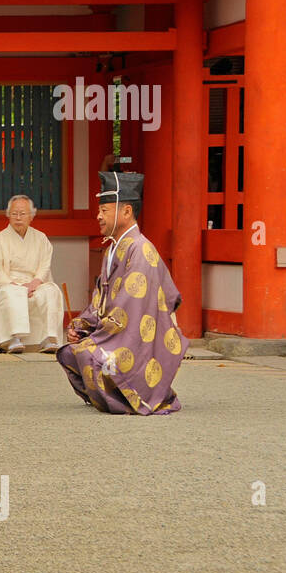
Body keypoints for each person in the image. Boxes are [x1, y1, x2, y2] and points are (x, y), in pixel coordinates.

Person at [56, 171, 189, 415]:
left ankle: (134, 394)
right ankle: (117, 396)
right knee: (73, 352)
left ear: (126, 211)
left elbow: (131, 308)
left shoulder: (141, 250)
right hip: (121, 328)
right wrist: (81, 325)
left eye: (104, 210)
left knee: (89, 353)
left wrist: (97, 335)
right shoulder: (113, 250)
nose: (98, 216)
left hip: (140, 338)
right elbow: (102, 300)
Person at [0, 195, 64, 354]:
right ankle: (14, 338)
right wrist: (15, 284)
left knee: (52, 290)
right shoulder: (0, 239)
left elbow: (44, 265)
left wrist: (35, 283)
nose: (18, 217)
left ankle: (48, 338)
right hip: (6, 283)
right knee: (13, 292)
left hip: (34, 284)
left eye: (23, 213)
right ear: (8, 215)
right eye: (14, 213)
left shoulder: (41, 238)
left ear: (31, 216)